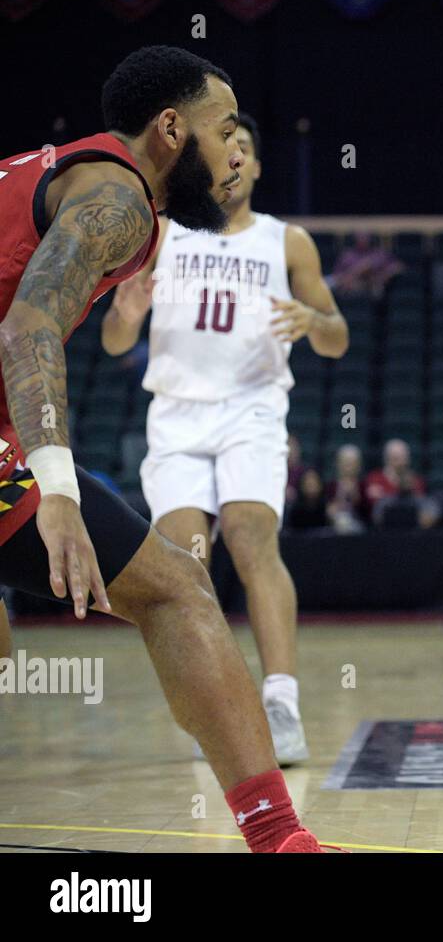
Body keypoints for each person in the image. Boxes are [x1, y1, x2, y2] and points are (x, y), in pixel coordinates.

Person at [0, 46, 322, 852]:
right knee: (177, 591)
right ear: (172, 128)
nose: (236, 151)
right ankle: (279, 838)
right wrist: (59, 491)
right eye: (224, 130)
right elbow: (29, 325)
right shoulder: (119, 197)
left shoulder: (77, 178)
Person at [102, 110, 350, 767]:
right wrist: (125, 317)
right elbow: (113, 340)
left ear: (257, 166)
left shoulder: (287, 241)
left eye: (244, 149)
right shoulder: (164, 234)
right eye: (224, 149)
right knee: (184, 563)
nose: (233, 160)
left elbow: (336, 337)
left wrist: (314, 319)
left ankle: (281, 703)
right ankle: (217, 711)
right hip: (177, 415)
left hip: (252, 411)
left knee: (248, 533)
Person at [285, 467, 329, 532]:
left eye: (314, 484)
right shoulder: (295, 511)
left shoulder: (326, 509)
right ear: (302, 485)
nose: (311, 487)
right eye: (308, 484)